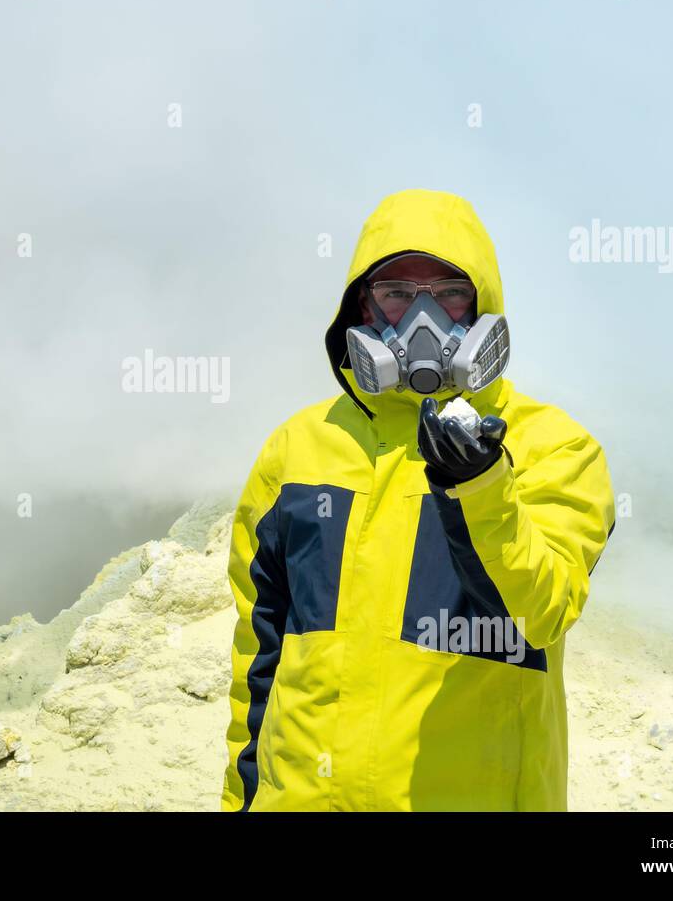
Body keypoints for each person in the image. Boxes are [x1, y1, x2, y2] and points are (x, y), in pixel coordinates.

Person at [220, 188, 616, 811]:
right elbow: (258, 654)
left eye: (449, 292)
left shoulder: (553, 448)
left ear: (481, 306)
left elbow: (541, 613)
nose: (421, 320)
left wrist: (482, 488)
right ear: (363, 309)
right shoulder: (297, 450)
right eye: (397, 293)